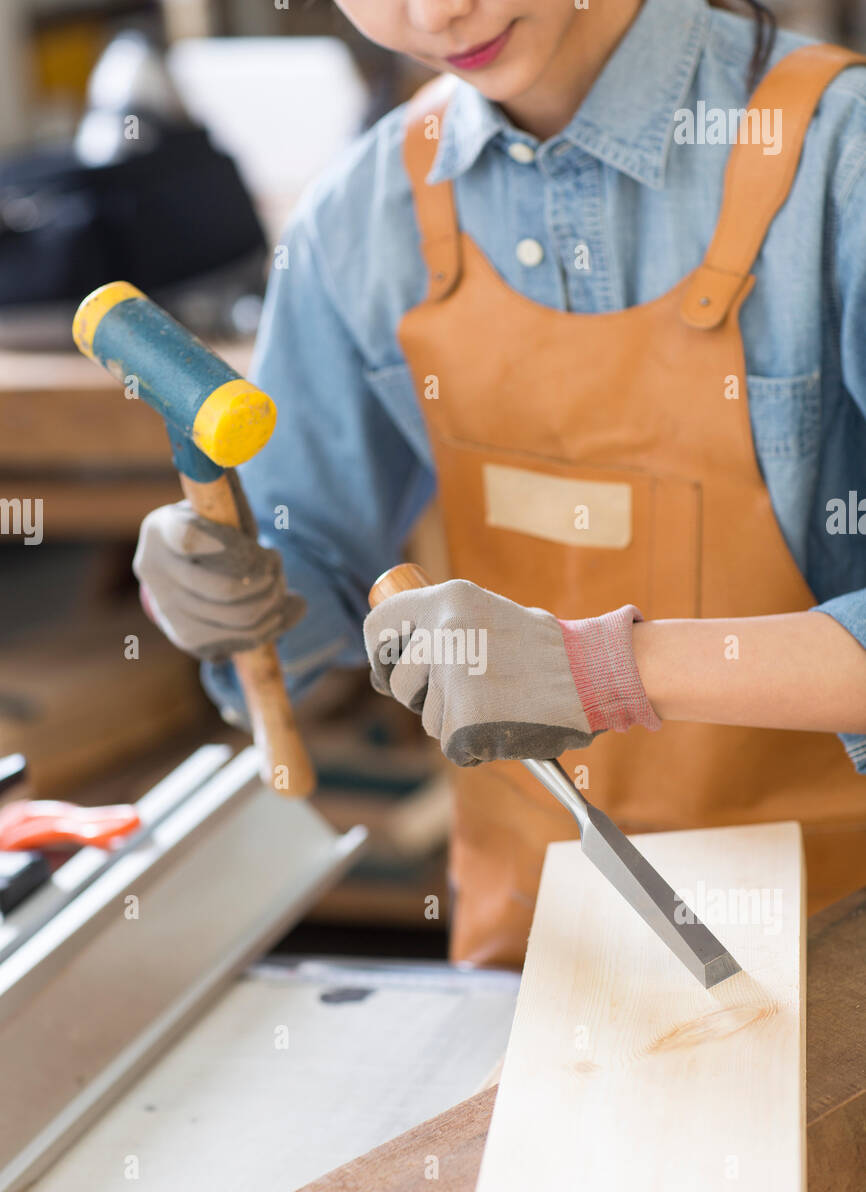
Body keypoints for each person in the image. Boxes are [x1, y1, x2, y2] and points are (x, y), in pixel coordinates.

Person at [134, 0, 866, 966]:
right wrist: (241, 595)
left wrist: (602, 671)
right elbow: (303, 563)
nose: (437, 11)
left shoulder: (839, 162)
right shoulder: (361, 218)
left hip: (837, 924)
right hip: (538, 932)